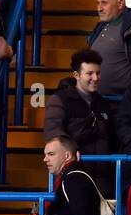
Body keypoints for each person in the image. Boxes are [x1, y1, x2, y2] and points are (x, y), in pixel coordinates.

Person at [42, 48, 115, 194]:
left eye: (98, 73)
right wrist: (72, 150)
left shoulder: (104, 105)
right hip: (72, 180)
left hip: (104, 184)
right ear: (76, 75)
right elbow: (53, 134)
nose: (95, 78)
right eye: (89, 73)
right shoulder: (60, 100)